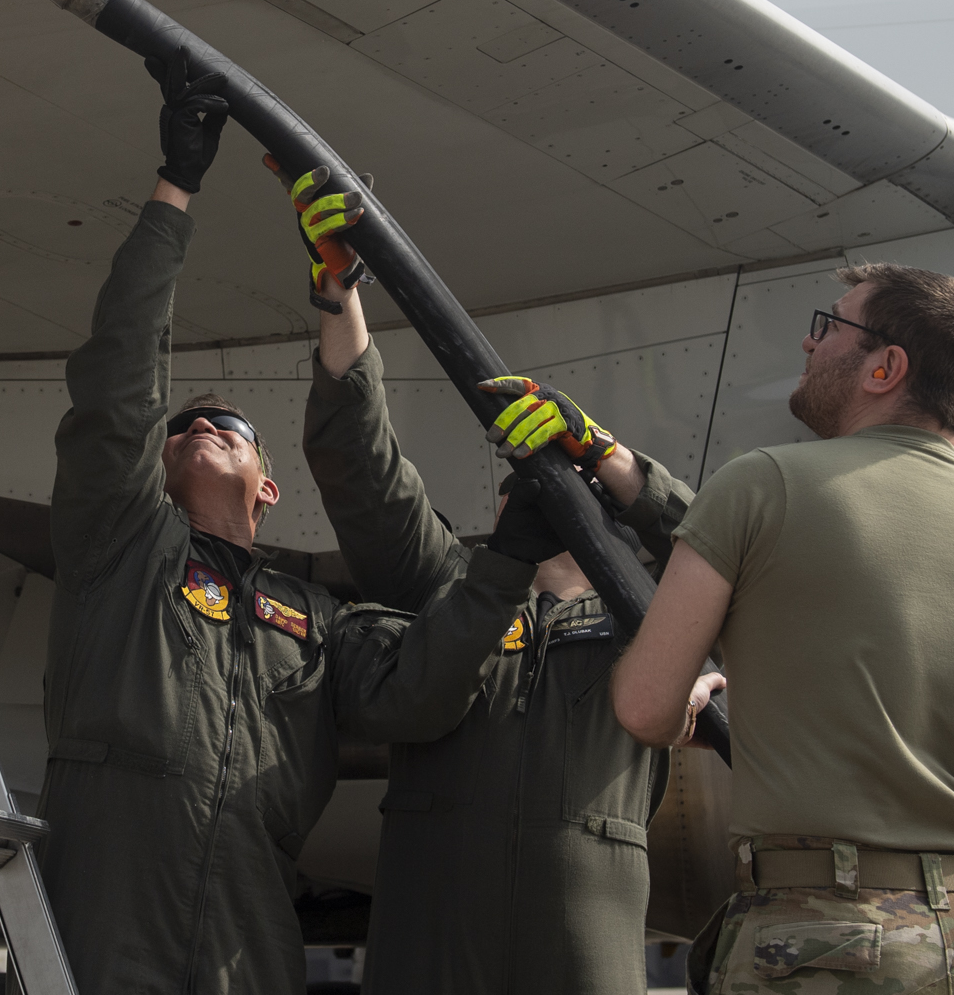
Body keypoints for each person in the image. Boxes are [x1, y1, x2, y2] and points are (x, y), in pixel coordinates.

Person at [611, 264, 954, 995]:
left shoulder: (760, 484)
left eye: (831, 324)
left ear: (885, 366)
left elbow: (645, 708)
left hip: (824, 941)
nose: (810, 343)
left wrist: (692, 702)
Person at [286, 167, 716, 995]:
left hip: (582, 958)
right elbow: (359, 466)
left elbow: (726, 551)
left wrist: (611, 456)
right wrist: (338, 293)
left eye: (566, 476)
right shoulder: (445, 583)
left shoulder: (654, 619)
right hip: (434, 953)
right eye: (528, 475)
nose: (544, 489)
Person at [36, 56, 353, 993]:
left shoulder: (316, 620)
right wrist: (176, 189)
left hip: (245, 950)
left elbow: (434, 674)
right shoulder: (121, 551)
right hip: (105, 938)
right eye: (183, 428)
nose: (204, 426)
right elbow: (119, 383)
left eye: (233, 427)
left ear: (269, 487)